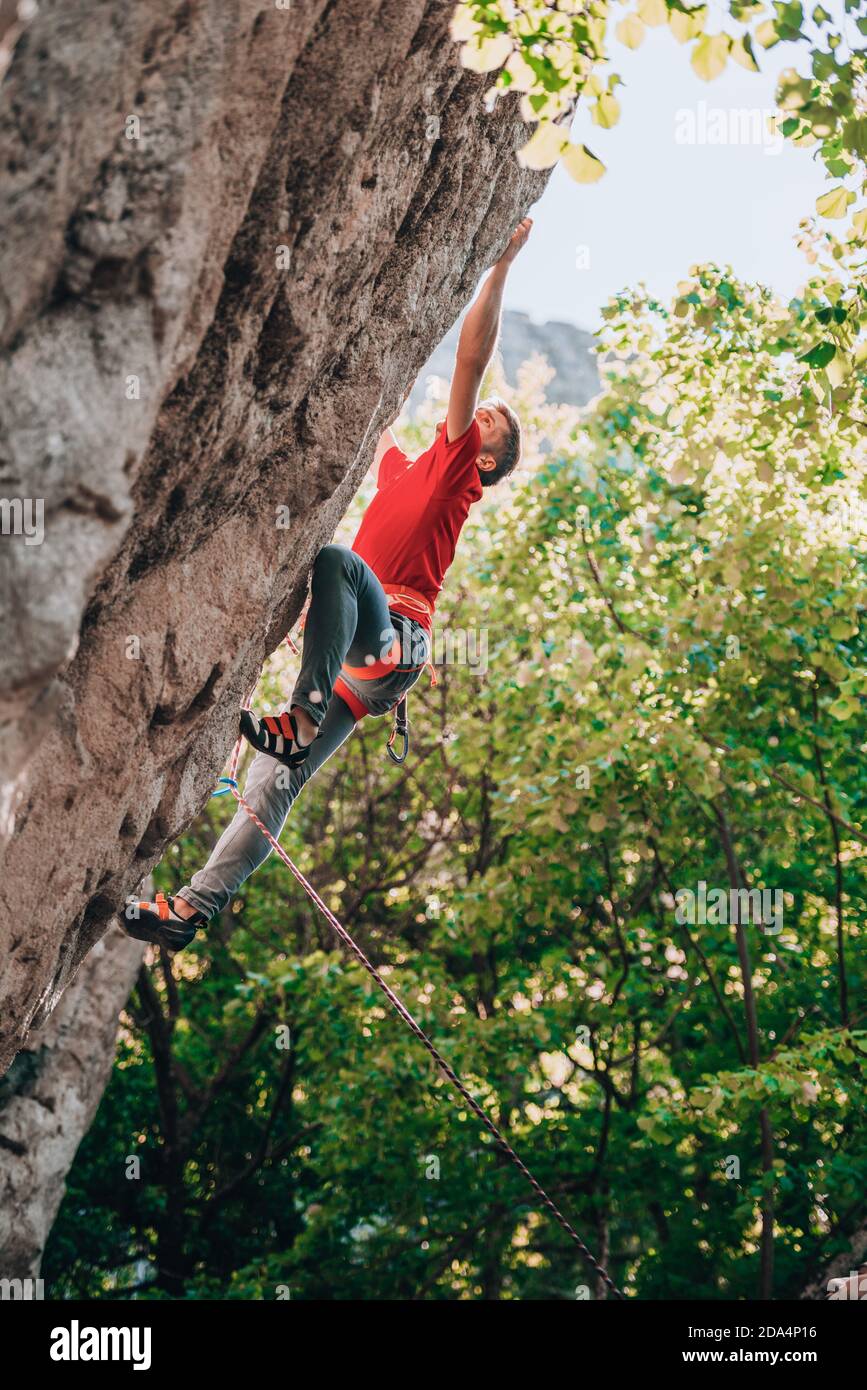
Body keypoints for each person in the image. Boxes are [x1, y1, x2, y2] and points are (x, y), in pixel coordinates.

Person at [125, 218, 533, 950]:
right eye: (484, 417)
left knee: (338, 564)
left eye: (489, 426)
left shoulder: (453, 474)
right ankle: (190, 912)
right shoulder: (405, 468)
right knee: (268, 789)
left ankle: (300, 717)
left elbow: (470, 363)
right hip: (360, 668)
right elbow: (373, 408)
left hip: (393, 641)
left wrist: (497, 266)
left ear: (482, 461)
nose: (479, 416)